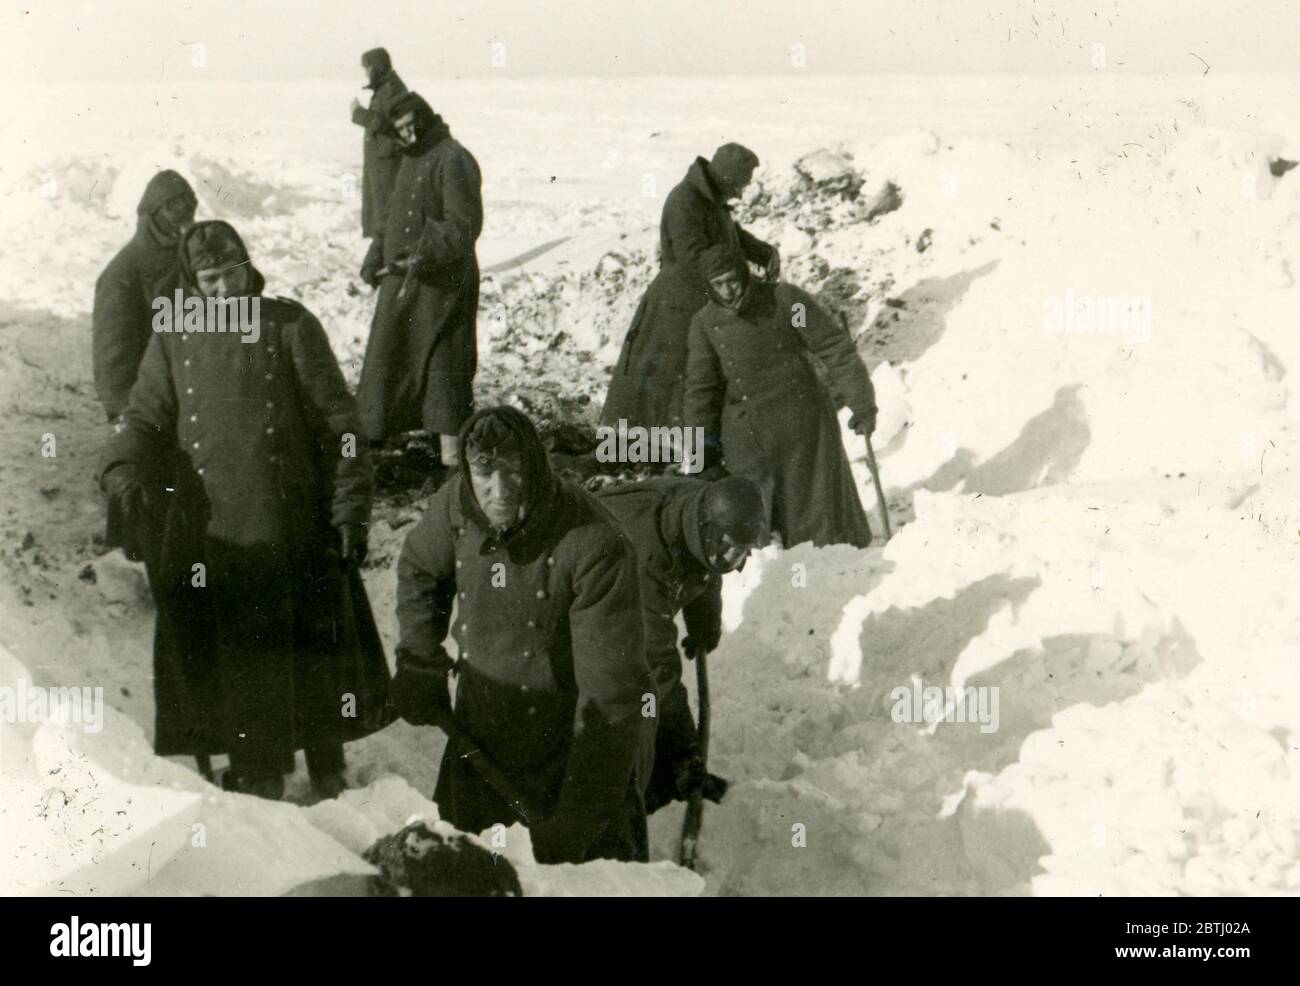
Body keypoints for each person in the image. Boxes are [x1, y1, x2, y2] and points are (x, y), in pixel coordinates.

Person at [99, 220, 390, 800]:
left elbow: (341, 426)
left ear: (248, 268)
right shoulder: (173, 339)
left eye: (232, 275)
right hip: (218, 539)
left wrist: (350, 509)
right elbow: (145, 419)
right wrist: (120, 468)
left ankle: (329, 775)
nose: (224, 292)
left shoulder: (289, 326)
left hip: (295, 530)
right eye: (209, 281)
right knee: (242, 668)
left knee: (309, 663)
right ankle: (261, 786)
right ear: (192, 283)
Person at [390, 406, 653, 863]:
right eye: (484, 474)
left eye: (512, 471)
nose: (499, 491)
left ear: (533, 465)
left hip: (569, 745)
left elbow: (610, 700)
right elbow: (419, 568)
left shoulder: (594, 543)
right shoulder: (458, 505)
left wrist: (576, 822)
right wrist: (418, 657)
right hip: (481, 725)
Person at [684, 243, 879, 549]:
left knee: (819, 517)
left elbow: (832, 347)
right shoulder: (705, 324)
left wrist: (862, 402)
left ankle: (835, 569)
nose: (728, 290)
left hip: (805, 428)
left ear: (745, 272)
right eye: (718, 284)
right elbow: (700, 390)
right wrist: (699, 454)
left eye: (732, 279)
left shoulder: (786, 301)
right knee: (756, 523)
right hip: (748, 436)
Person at [598, 475, 764, 813]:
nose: (733, 558)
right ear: (707, 528)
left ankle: (659, 766)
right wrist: (684, 750)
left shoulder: (706, 514)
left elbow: (707, 565)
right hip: (564, 588)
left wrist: (704, 625)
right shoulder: (644, 555)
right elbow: (654, 663)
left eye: (743, 550)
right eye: (729, 545)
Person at [601, 143, 779, 434]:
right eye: (739, 185)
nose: (741, 193)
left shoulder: (711, 200)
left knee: (692, 378)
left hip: (703, 297)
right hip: (675, 305)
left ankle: (684, 443)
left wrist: (764, 252)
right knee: (665, 381)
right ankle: (640, 448)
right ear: (724, 177)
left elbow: (731, 235)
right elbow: (694, 256)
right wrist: (742, 282)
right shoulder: (685, 200)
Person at [357, 92, 482, 477]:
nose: (409, 135)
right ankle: (372, 448)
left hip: (444, 285)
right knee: (386, 356)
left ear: (427, 119)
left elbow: (462, 226)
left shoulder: (453, 158)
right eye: (401, 130)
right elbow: (388, 219)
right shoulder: (406, 162)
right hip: (404, 280)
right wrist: (376, 256)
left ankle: (450, 460)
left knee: (444, 368)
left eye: (414, 126)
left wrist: (421, 253)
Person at [92, 170, 198, 580]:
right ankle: (129, 566)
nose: (184, 217)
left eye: (188, 207)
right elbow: (112, 355)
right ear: (151, 214)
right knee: (140, 487)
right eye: (174, 210)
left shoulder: (188, 257)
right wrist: (122, 411)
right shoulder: (123, 273)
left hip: (185, 391)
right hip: (145, 400)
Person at [349, 46, 408, 239]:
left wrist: (359, 114)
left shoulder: (392, 89)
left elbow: (393, 125)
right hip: (383, 167)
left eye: (367, 68)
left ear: (376, 68)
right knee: (382, 220)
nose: (366, 73)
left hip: (388, 169)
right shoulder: (386, 88)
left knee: (387, 220)